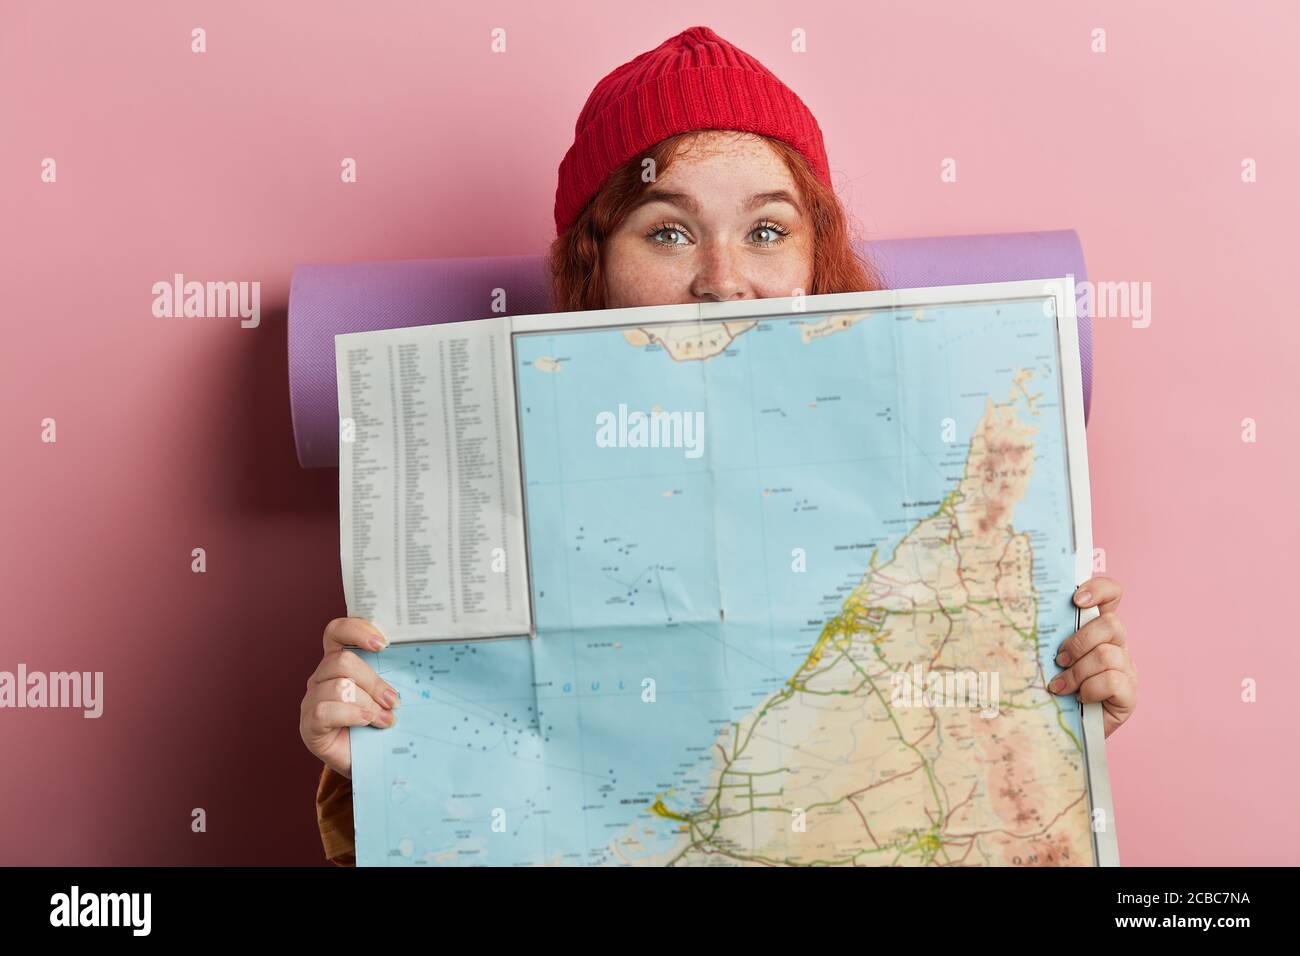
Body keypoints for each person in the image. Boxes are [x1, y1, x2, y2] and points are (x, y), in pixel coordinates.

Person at [300, 25, 1139, 867]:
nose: (725, 281)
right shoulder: (468, 505)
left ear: (817, 259)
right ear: (594, 265)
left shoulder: (939, 498)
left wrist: (1059, 718)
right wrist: (368, 779)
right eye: (668, 232)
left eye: (768, 231)